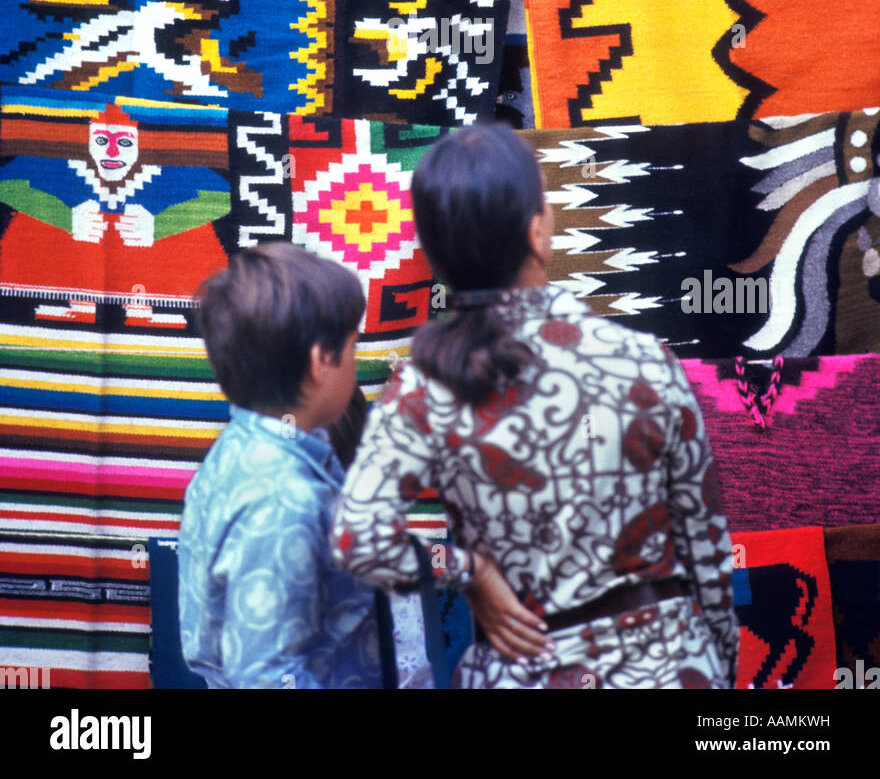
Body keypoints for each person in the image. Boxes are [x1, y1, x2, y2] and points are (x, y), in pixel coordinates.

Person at [332, 124, 740, 689]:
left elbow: (358, 541)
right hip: (668, 669)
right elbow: (707, 550)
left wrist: (468, 571)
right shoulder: (644, 361)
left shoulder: (427, 388)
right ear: (537, 232)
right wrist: (718, 667)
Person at [178, 243, 382, 689]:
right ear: (318, 363)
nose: (355, 361)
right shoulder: (282, 500)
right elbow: (270, 676)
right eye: (352, 346)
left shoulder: (242, 451)